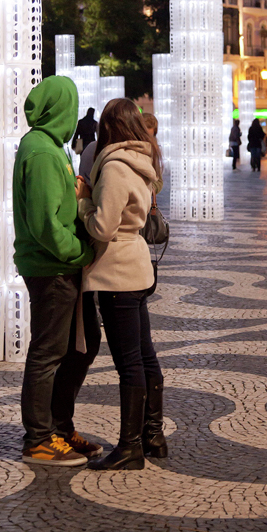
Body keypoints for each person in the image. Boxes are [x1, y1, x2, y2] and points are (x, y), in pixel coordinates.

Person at [14, 75, 101, 467]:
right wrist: (79, 252)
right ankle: (38, 438)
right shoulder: (43, 152)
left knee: (77, 347)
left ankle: (58, 428)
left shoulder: (50, 146)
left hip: (60, 265)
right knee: (48, 352)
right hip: (52, 266)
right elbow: (46, 223)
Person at [76, 97, 165, 471]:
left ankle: (130, 448)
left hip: (116, 272)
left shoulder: (114, 165)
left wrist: (83, 201)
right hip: (138, 268)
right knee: (144, 355)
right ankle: (153, 435)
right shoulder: (144, 161)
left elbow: (102, 227)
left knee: (129, 362)